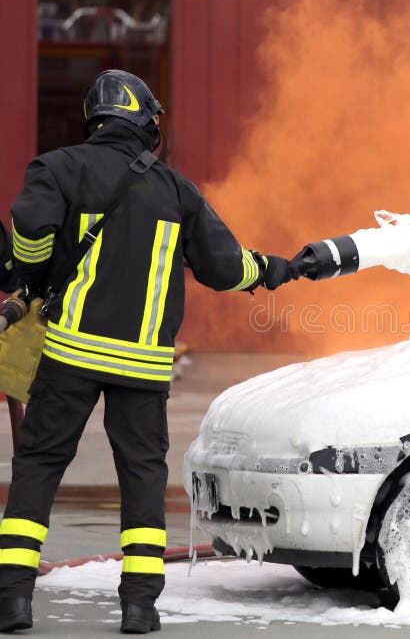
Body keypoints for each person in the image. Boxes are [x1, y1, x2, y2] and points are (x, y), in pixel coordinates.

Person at [0, 69, 299, 634]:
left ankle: (13, 600)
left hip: (70, 354)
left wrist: (32, 272)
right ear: (144, 120)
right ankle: (140, 607)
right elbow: (228, 269)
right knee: (141, 477)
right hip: (142, 366)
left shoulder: (58, 167)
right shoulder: (176, 189)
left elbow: (31, 227)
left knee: (39, 467)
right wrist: (277, 269)